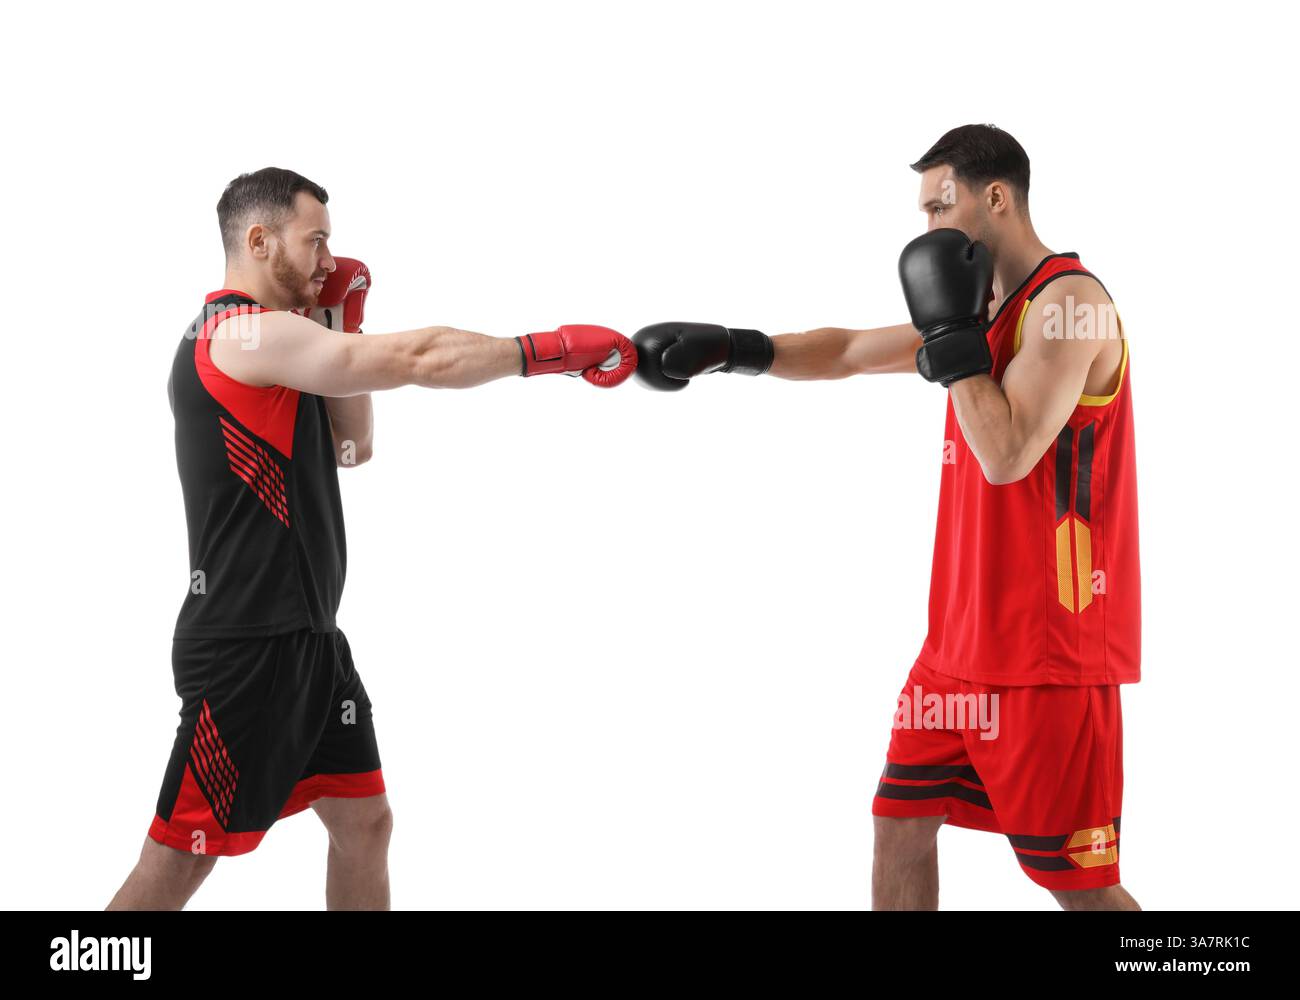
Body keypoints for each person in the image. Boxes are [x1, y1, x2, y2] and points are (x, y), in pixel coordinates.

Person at [633, 124, 1140, 911]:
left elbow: (1007, 454)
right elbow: (845, 351)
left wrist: (952, 341)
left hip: (1045, 656)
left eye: (942, 207)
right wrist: (736, 349)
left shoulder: (1070, 306)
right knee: (900, 824)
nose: (928, 230)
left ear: (995, 196)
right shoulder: (985, 309)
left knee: (1078, 888)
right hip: (956, 648)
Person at [108, 167, 635, 910]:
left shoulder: (284, 343)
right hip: (248, 646)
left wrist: (342, 325)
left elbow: (355, 444)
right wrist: (547, 352)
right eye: (315, 240)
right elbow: (415, 360)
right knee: (179, 859)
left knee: (365, 823)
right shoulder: (236, 332)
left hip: (312, 639)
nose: (329, 261)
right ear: (259, 241)